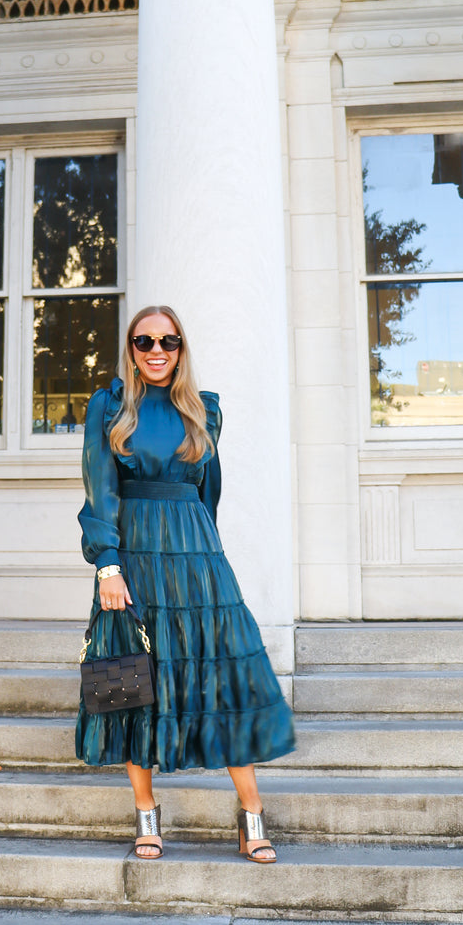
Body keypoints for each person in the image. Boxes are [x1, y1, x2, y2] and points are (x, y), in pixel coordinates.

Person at [76, 305, 296, 861]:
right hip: (134, 557)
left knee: (223, 677)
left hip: (195, 555)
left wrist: (207, 560)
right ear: (131, 349)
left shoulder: (205, 410)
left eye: (168, 341)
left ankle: (251, 816)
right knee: (133, 683)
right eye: (145, 340)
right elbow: (99, 490)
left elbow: (209, 494)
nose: (157, 350)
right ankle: (147, 817)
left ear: (181, 349)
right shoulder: (109, 407)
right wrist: (107, 562)